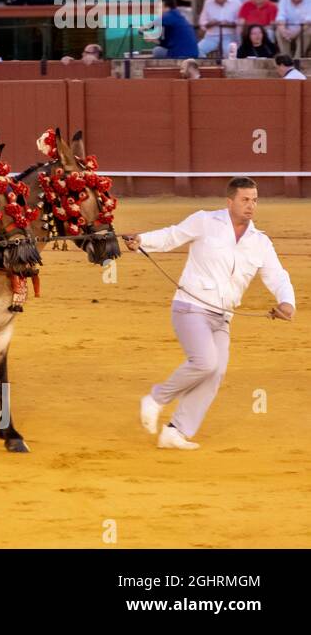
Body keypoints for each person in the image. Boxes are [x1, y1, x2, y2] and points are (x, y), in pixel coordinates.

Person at [125, 177, 294, 450]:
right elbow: (172, 235)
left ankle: (176, 431)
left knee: (215, 372)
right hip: (191, 307)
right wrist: (142, 240)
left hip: (223, 316)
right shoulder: (205, 221)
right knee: (205, 361)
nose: (251, 205)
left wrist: (287, 302)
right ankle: (156, 398)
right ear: (230, 202)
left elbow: (277, 275)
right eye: (245, 200)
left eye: (254, 200)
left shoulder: (259, 241)